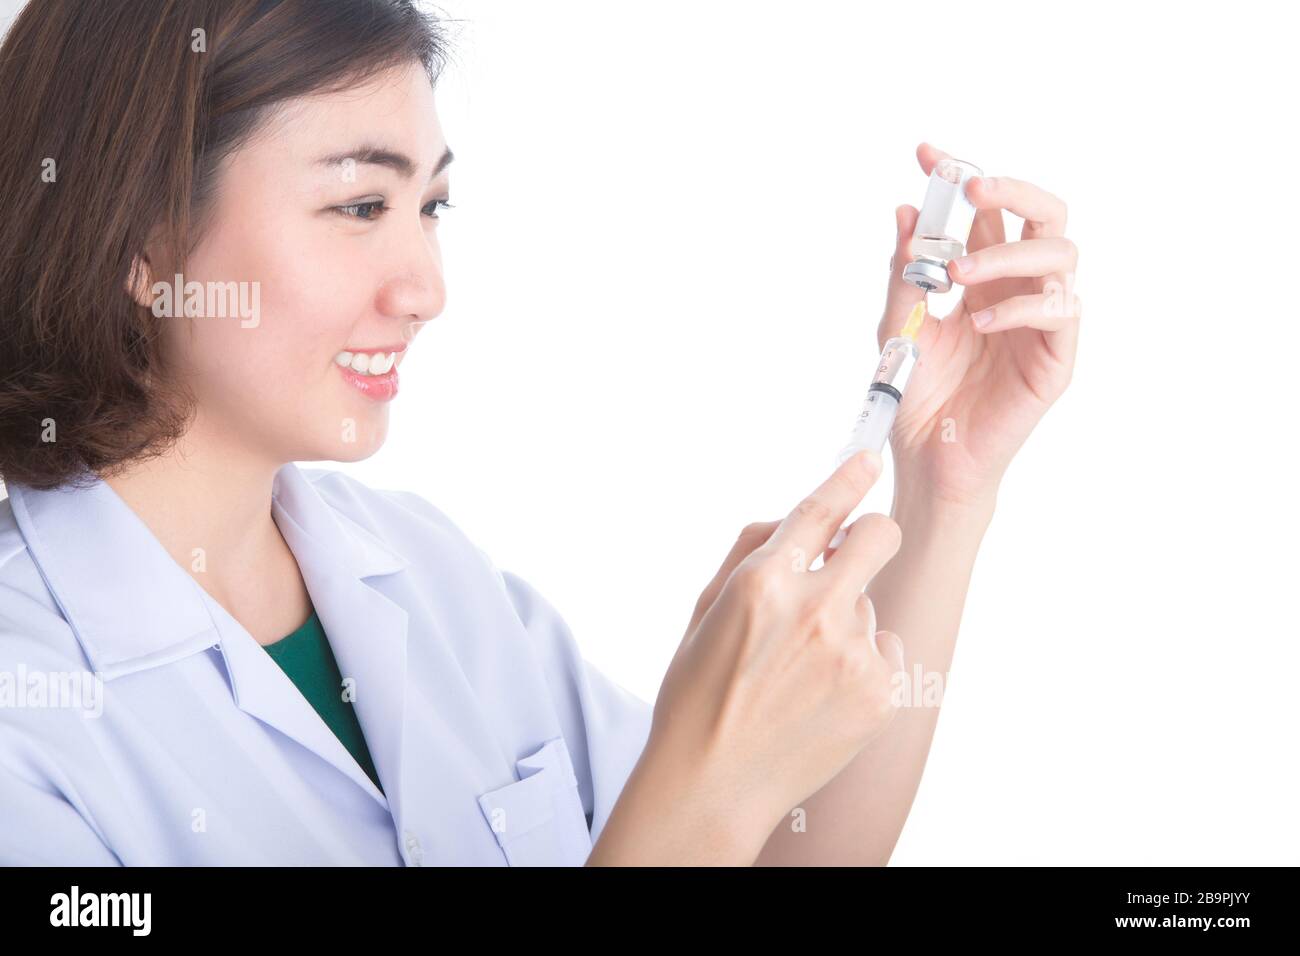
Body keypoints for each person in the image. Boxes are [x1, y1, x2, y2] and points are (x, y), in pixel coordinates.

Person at [0, 0, 1080, 866]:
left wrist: (944, 490)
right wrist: (702, 782)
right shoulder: (26, 715)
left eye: (431, 208)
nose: (426, 288)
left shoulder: (427, 577)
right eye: (361, 206)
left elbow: (772, 853)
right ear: (140, 243)